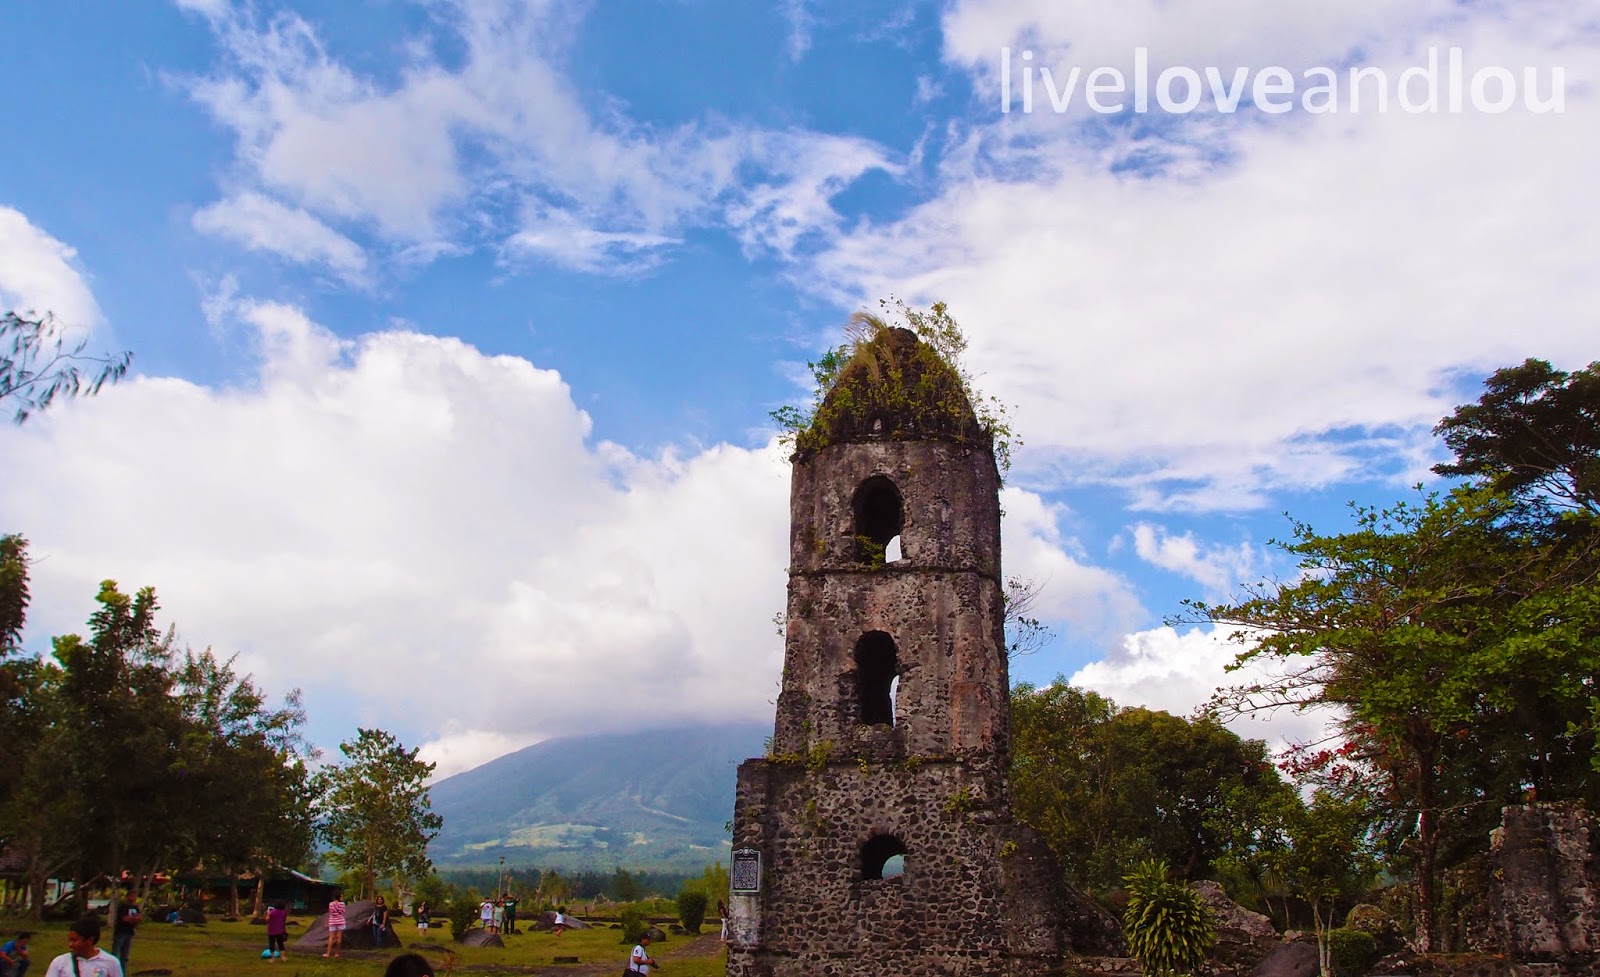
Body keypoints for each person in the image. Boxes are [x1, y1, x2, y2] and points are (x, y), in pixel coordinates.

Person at [42, 919, 120, 977]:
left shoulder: (111, 962)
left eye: (74, 940)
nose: (70, 945)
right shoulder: (60, 962)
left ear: (90, 940)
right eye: (70, 940)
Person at [110, 895, 138, 972]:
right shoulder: (123, 907)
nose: (133, 898)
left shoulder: (135, 908)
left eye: (134, 896)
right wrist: (133, 919)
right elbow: (124, 918)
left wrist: (133, 920)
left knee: (125, 955)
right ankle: (112, 971)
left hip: (130, 932)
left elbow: (139, 918)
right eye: (131, 896)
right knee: (116, 953)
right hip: (121, 932)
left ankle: (122, 972)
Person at [324, 892, 347, 958]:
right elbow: (343, 912)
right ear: (339, 897)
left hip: (332, 921)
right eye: (341, 896)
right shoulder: (342, 904)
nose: (342, 898)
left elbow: (331, 912)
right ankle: (337, 953)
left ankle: (328, 953)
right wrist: (339, 911)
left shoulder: (331, 904)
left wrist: (335, 911)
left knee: (331, 937)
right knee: (339, 937)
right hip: (340, 921)